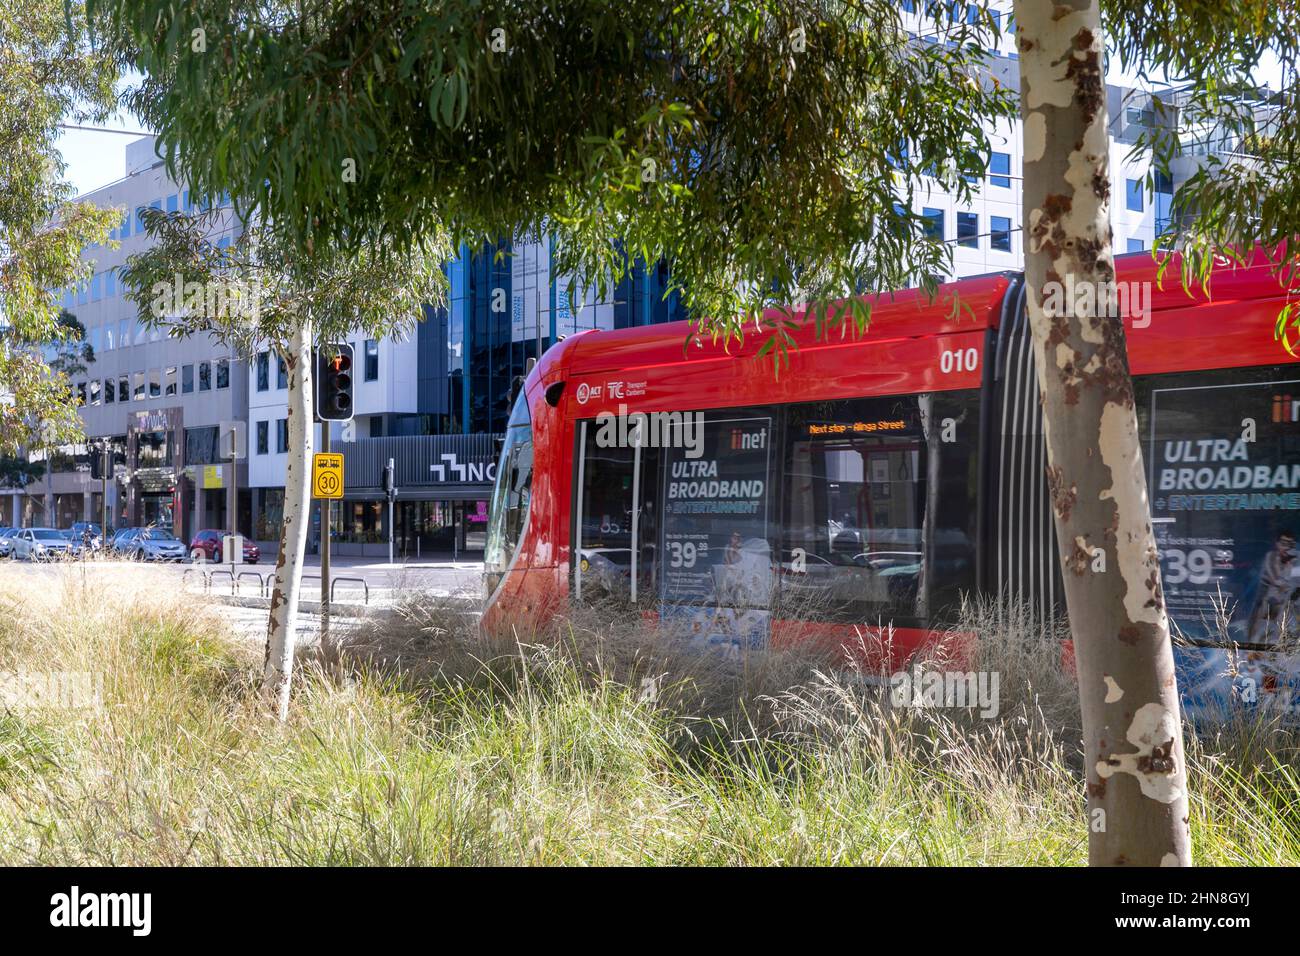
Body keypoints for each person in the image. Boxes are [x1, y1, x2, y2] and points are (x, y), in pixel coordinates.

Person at [1248, 531, 1297, 643]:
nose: (1287, 548)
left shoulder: (1294, 559)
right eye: (1284, 544)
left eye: (1290, 545)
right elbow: (1275, 580)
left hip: (1284, 597)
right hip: (1267, 593)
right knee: (1259, 615)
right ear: (1277, 544)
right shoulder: (1271, 557)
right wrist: (1289, 568)